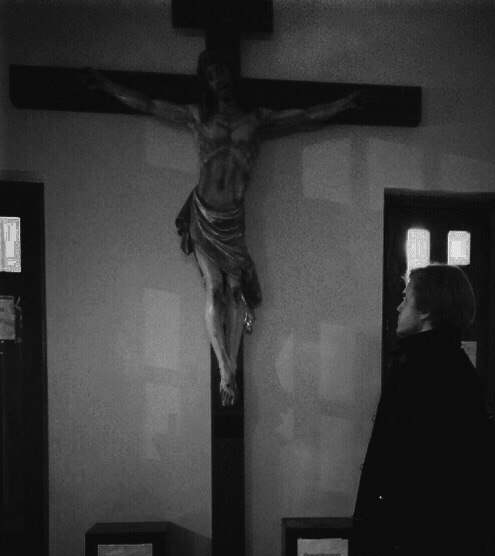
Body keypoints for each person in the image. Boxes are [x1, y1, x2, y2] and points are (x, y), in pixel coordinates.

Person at [87, 50, 361, 406]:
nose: (218, 80)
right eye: (211, 75)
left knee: (237, 290)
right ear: (207, 81)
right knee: (215, 288)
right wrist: (107, 86)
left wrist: (344, 103)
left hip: (232, 218)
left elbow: (307, 117)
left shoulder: (257, 120)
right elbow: (149, 104)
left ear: (232, 74)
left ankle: (230, 363)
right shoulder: (197, 116)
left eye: (221, 71)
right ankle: (225, 369)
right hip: (204, 213)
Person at [353, 263, 495, 556]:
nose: (399, 307)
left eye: (406, 298)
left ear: (426, 310)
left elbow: (401, 459)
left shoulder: (417, 367)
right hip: (449, 543)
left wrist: (381, 523)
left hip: (420, 543)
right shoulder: (456, 365)